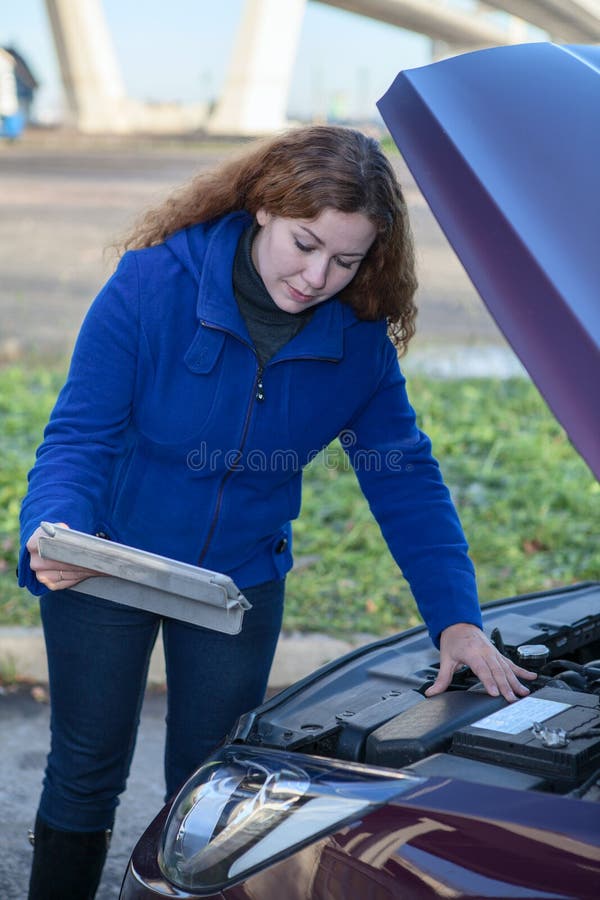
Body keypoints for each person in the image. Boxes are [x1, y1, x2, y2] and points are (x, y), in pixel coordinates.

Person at [18, 124, 536, 899]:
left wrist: (455, 617)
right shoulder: (150, 283)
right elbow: (81, 435)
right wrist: (54, 526)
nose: (317, 276)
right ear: (265, 207)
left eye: (346, 260)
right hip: (107, 561)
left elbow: (404, 479)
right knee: (86, 772)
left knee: (212, 791)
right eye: (305, 244)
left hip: (238, 583)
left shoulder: (358, 342)